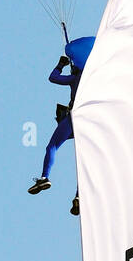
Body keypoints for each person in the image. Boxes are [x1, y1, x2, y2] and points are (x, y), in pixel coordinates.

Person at [29, 41, 90, 215]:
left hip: (75, 117)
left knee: (52, 146)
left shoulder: (75, 78)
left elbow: (53, 78)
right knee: (84, 159)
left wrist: (61, 64)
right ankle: (79, 196)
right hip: (92, 121)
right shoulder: (97, 81)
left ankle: (44, 178)